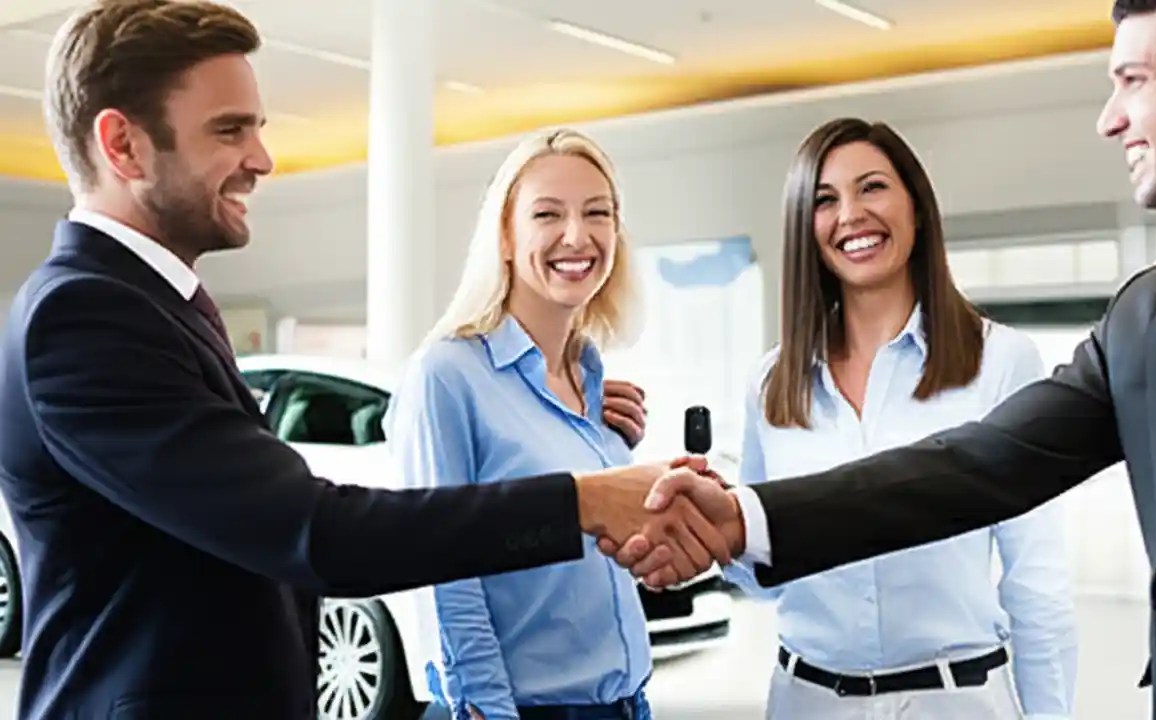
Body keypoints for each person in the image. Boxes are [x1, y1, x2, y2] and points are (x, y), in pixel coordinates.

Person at [0, 2, 724, 717]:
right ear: (123, 145)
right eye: (229, 130)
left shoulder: (154, 302)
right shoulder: (83, 317)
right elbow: (319, 534)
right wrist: (584, 499)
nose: (262, 159)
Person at [627, 0, 1156, 717]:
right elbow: (968, 470)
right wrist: (742, 519)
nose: (1109, 119)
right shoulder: (1146, 315)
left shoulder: (1005, 353)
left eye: (1134, 80)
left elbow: (1035, 580)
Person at [721, 118, 1076, 719]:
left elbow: (1036, 581)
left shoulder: (1001, 361)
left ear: (917, 207)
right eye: (825, 200)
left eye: (873, 187)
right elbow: (764, 579)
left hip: (955, 702)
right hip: (809, 702)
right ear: (805, 227)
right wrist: (715, 531)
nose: (851, 215)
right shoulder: (772, 381)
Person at [386, 129, 665, 720]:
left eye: (598, 213)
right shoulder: (448, 375)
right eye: (547, 214)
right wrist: (487, 710)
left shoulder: (593, 383)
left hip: (623, 705)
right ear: (505, 238)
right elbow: (445, 576)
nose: (577, 235)